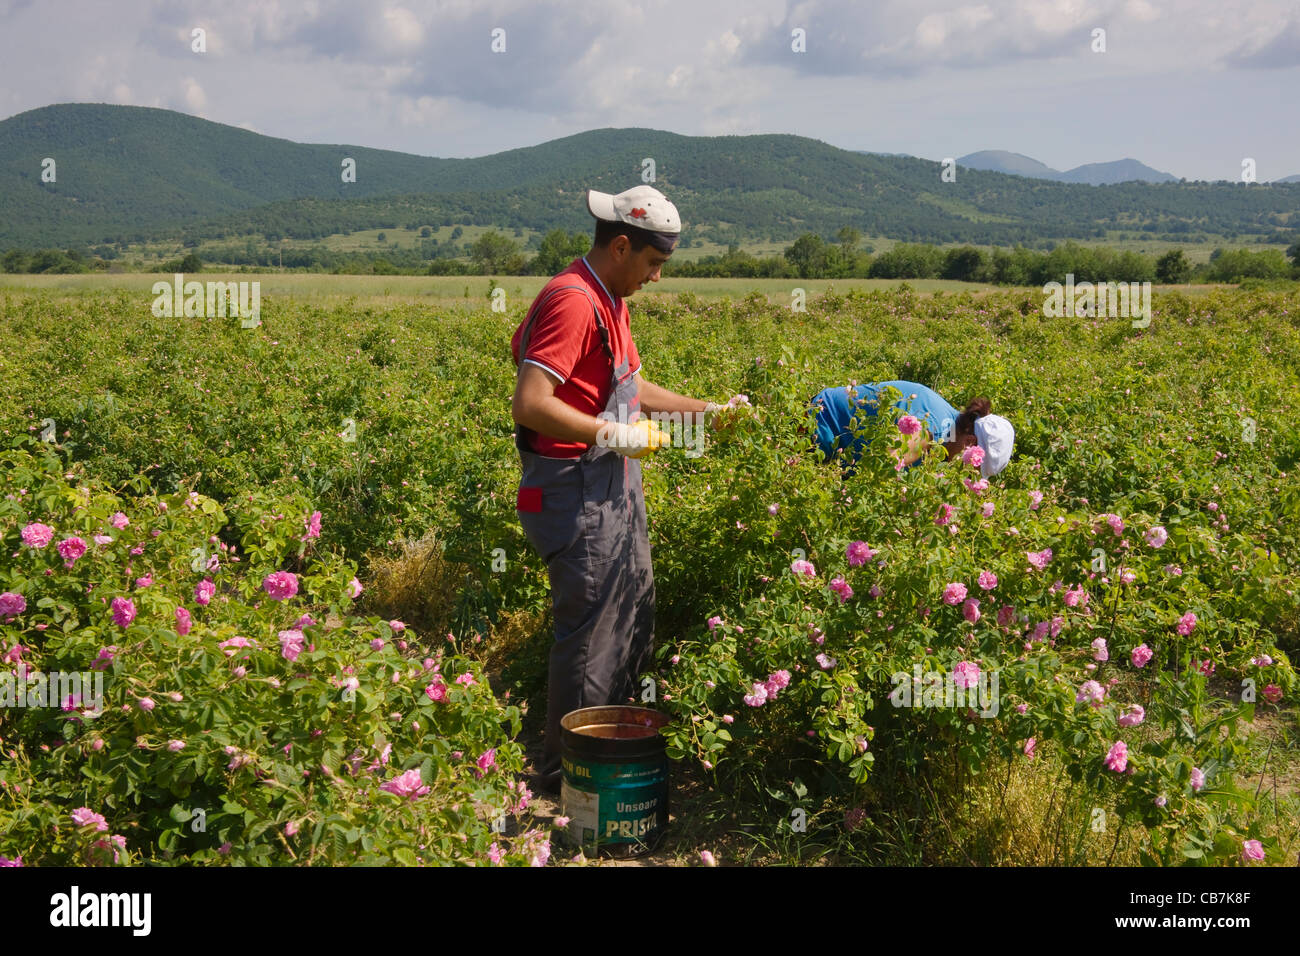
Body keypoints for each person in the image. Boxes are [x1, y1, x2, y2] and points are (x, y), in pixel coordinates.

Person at [510, 184, 725, 794]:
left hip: (611, 478)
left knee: (630, 611)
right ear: (622, 245)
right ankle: (570, 779)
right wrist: (610, 432)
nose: (656, 278)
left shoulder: (610, 298)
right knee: (590, 637)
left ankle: (613, 747)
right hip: (574, 485)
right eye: (653, 264)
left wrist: (707, 411)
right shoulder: (574, 300)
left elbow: (635, 389)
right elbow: (530, 402)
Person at [806, 380, 1014, 476]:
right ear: (970, 443)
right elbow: (879, 471)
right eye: (973, 468)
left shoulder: (946, 420)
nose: (965, 473)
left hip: (828, 433)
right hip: (816, 429)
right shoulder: (931, 430)